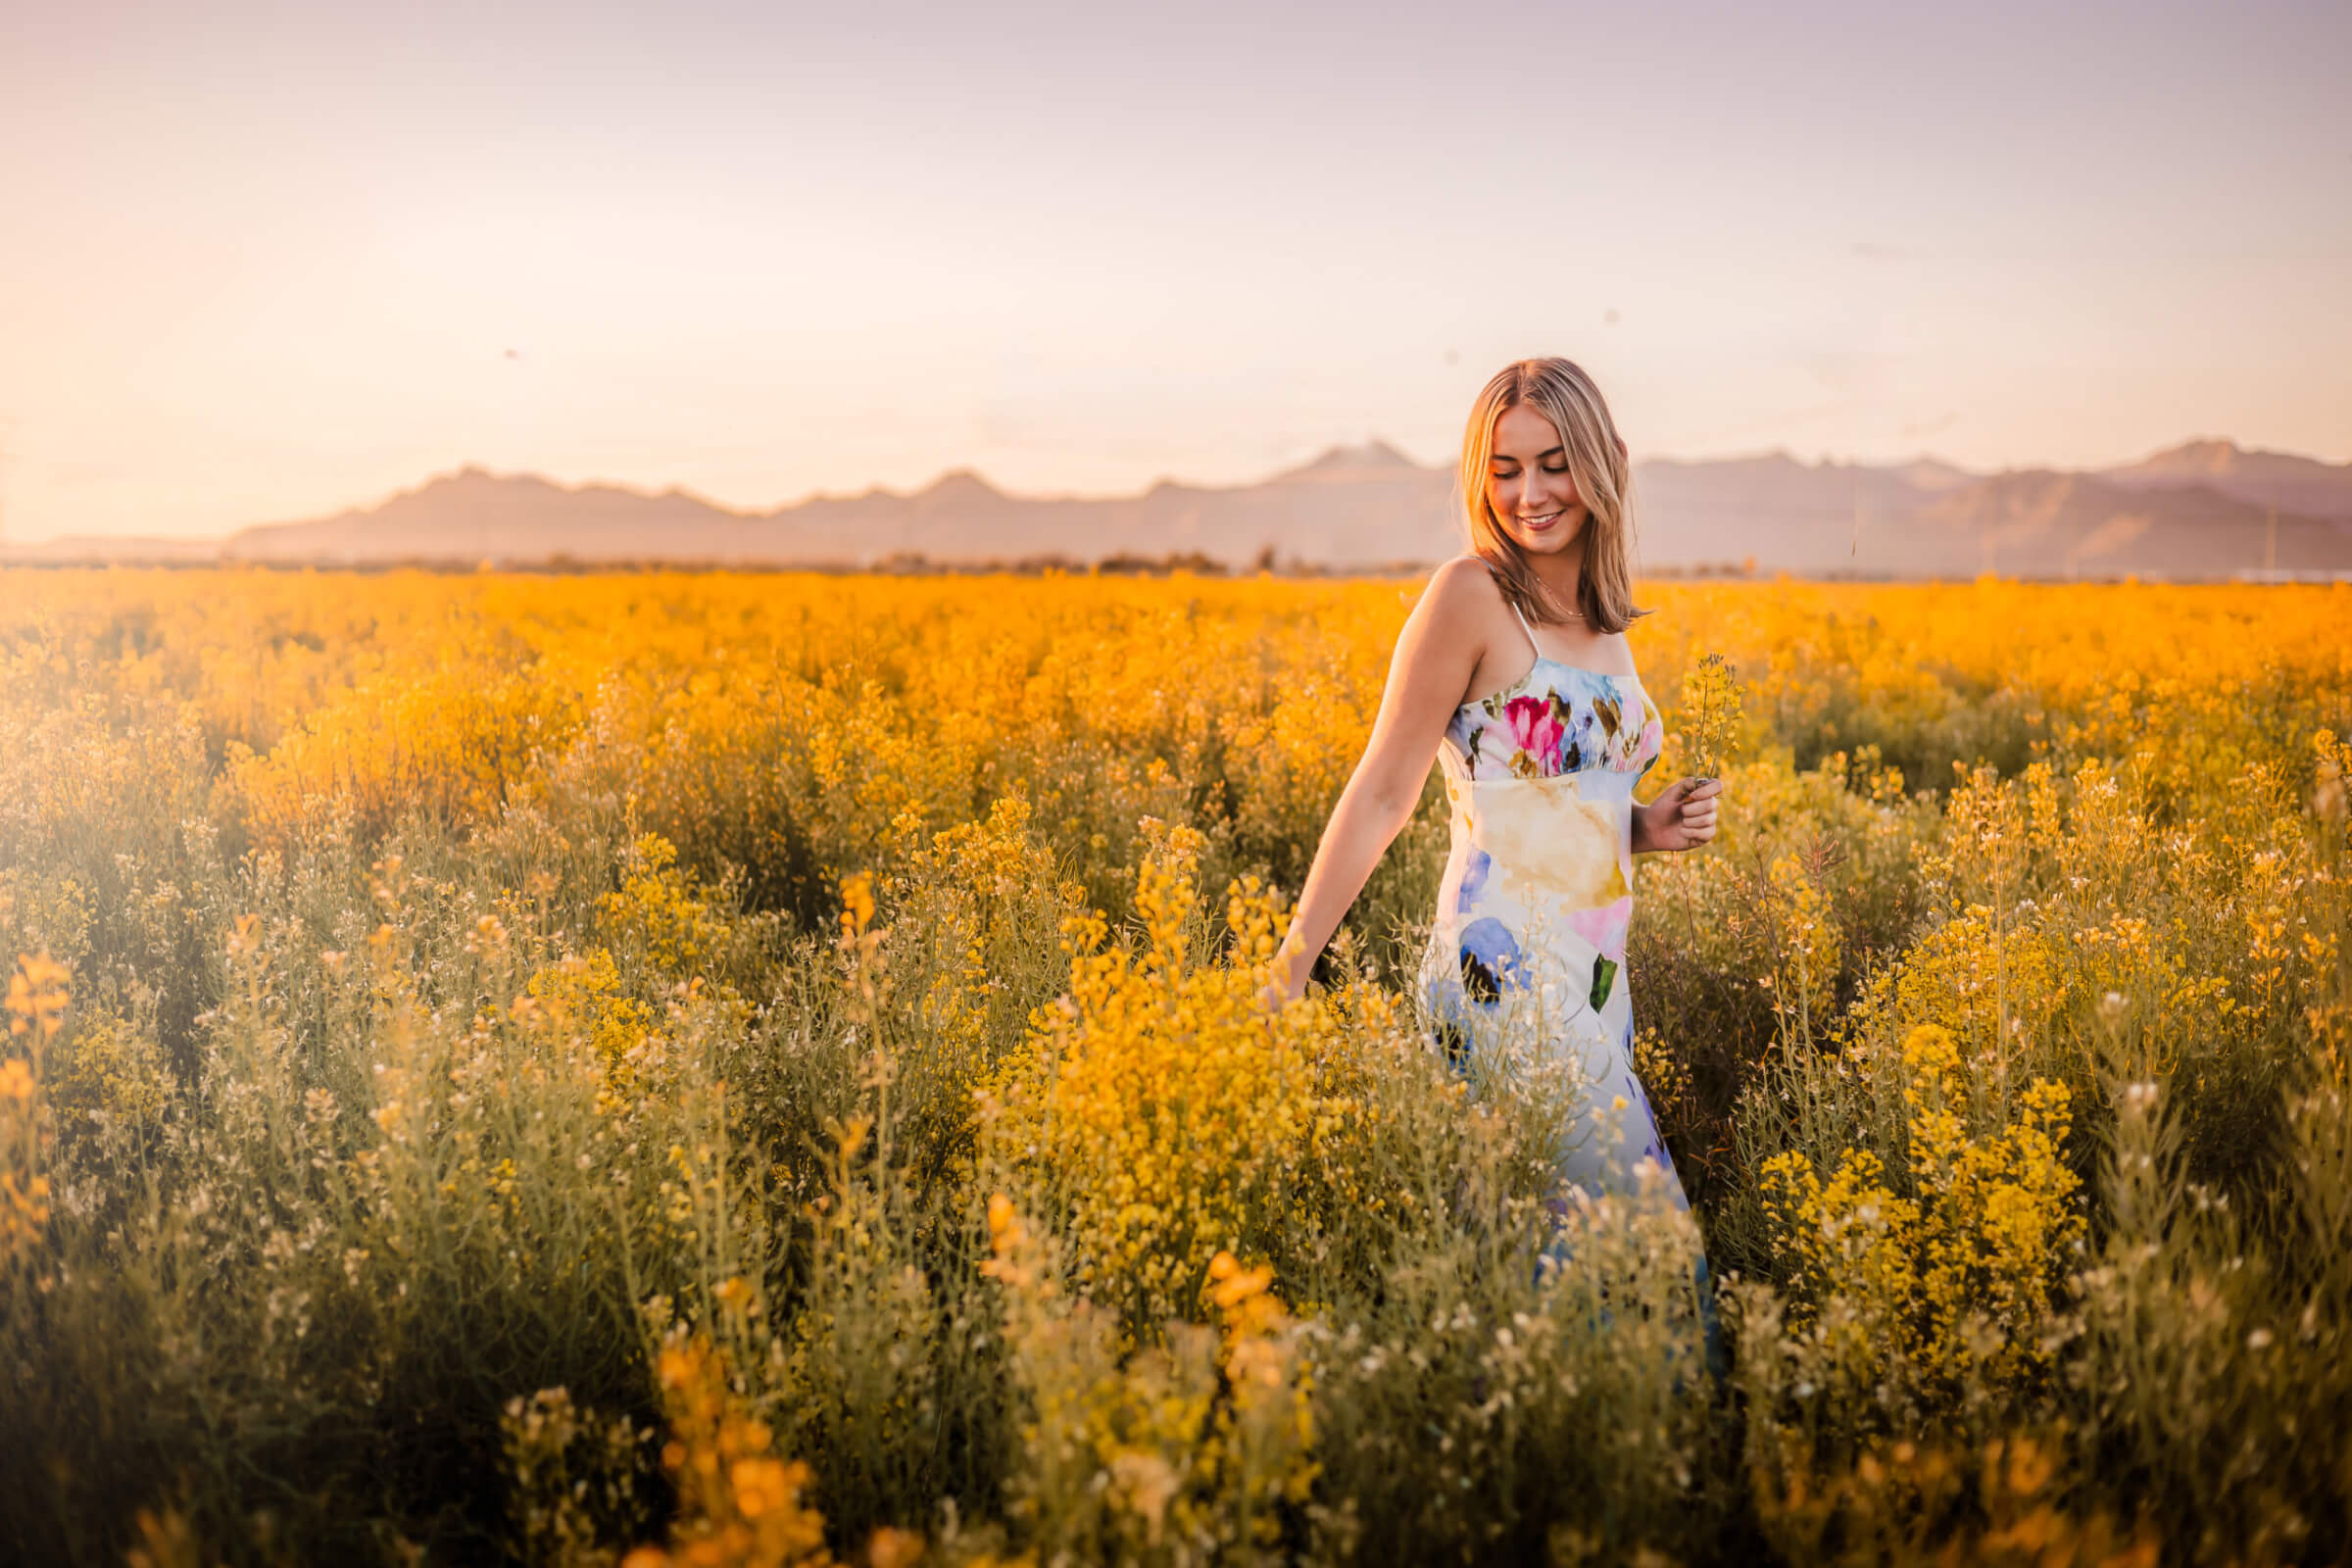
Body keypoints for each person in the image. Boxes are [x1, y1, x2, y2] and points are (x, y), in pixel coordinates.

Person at [1260, 356, 1722, 1235]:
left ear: (1604, 460)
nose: (1530, 494)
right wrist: (1293, 963)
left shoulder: (1602, 615)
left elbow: (1549, 807)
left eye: (1554, 463)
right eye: (1504, 470)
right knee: (1616, 1252)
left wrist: (1644, 829)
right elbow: (1381, 795)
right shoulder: (1470, 595)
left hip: (1594, 988)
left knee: (1582, 1261)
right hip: (1501, 977)